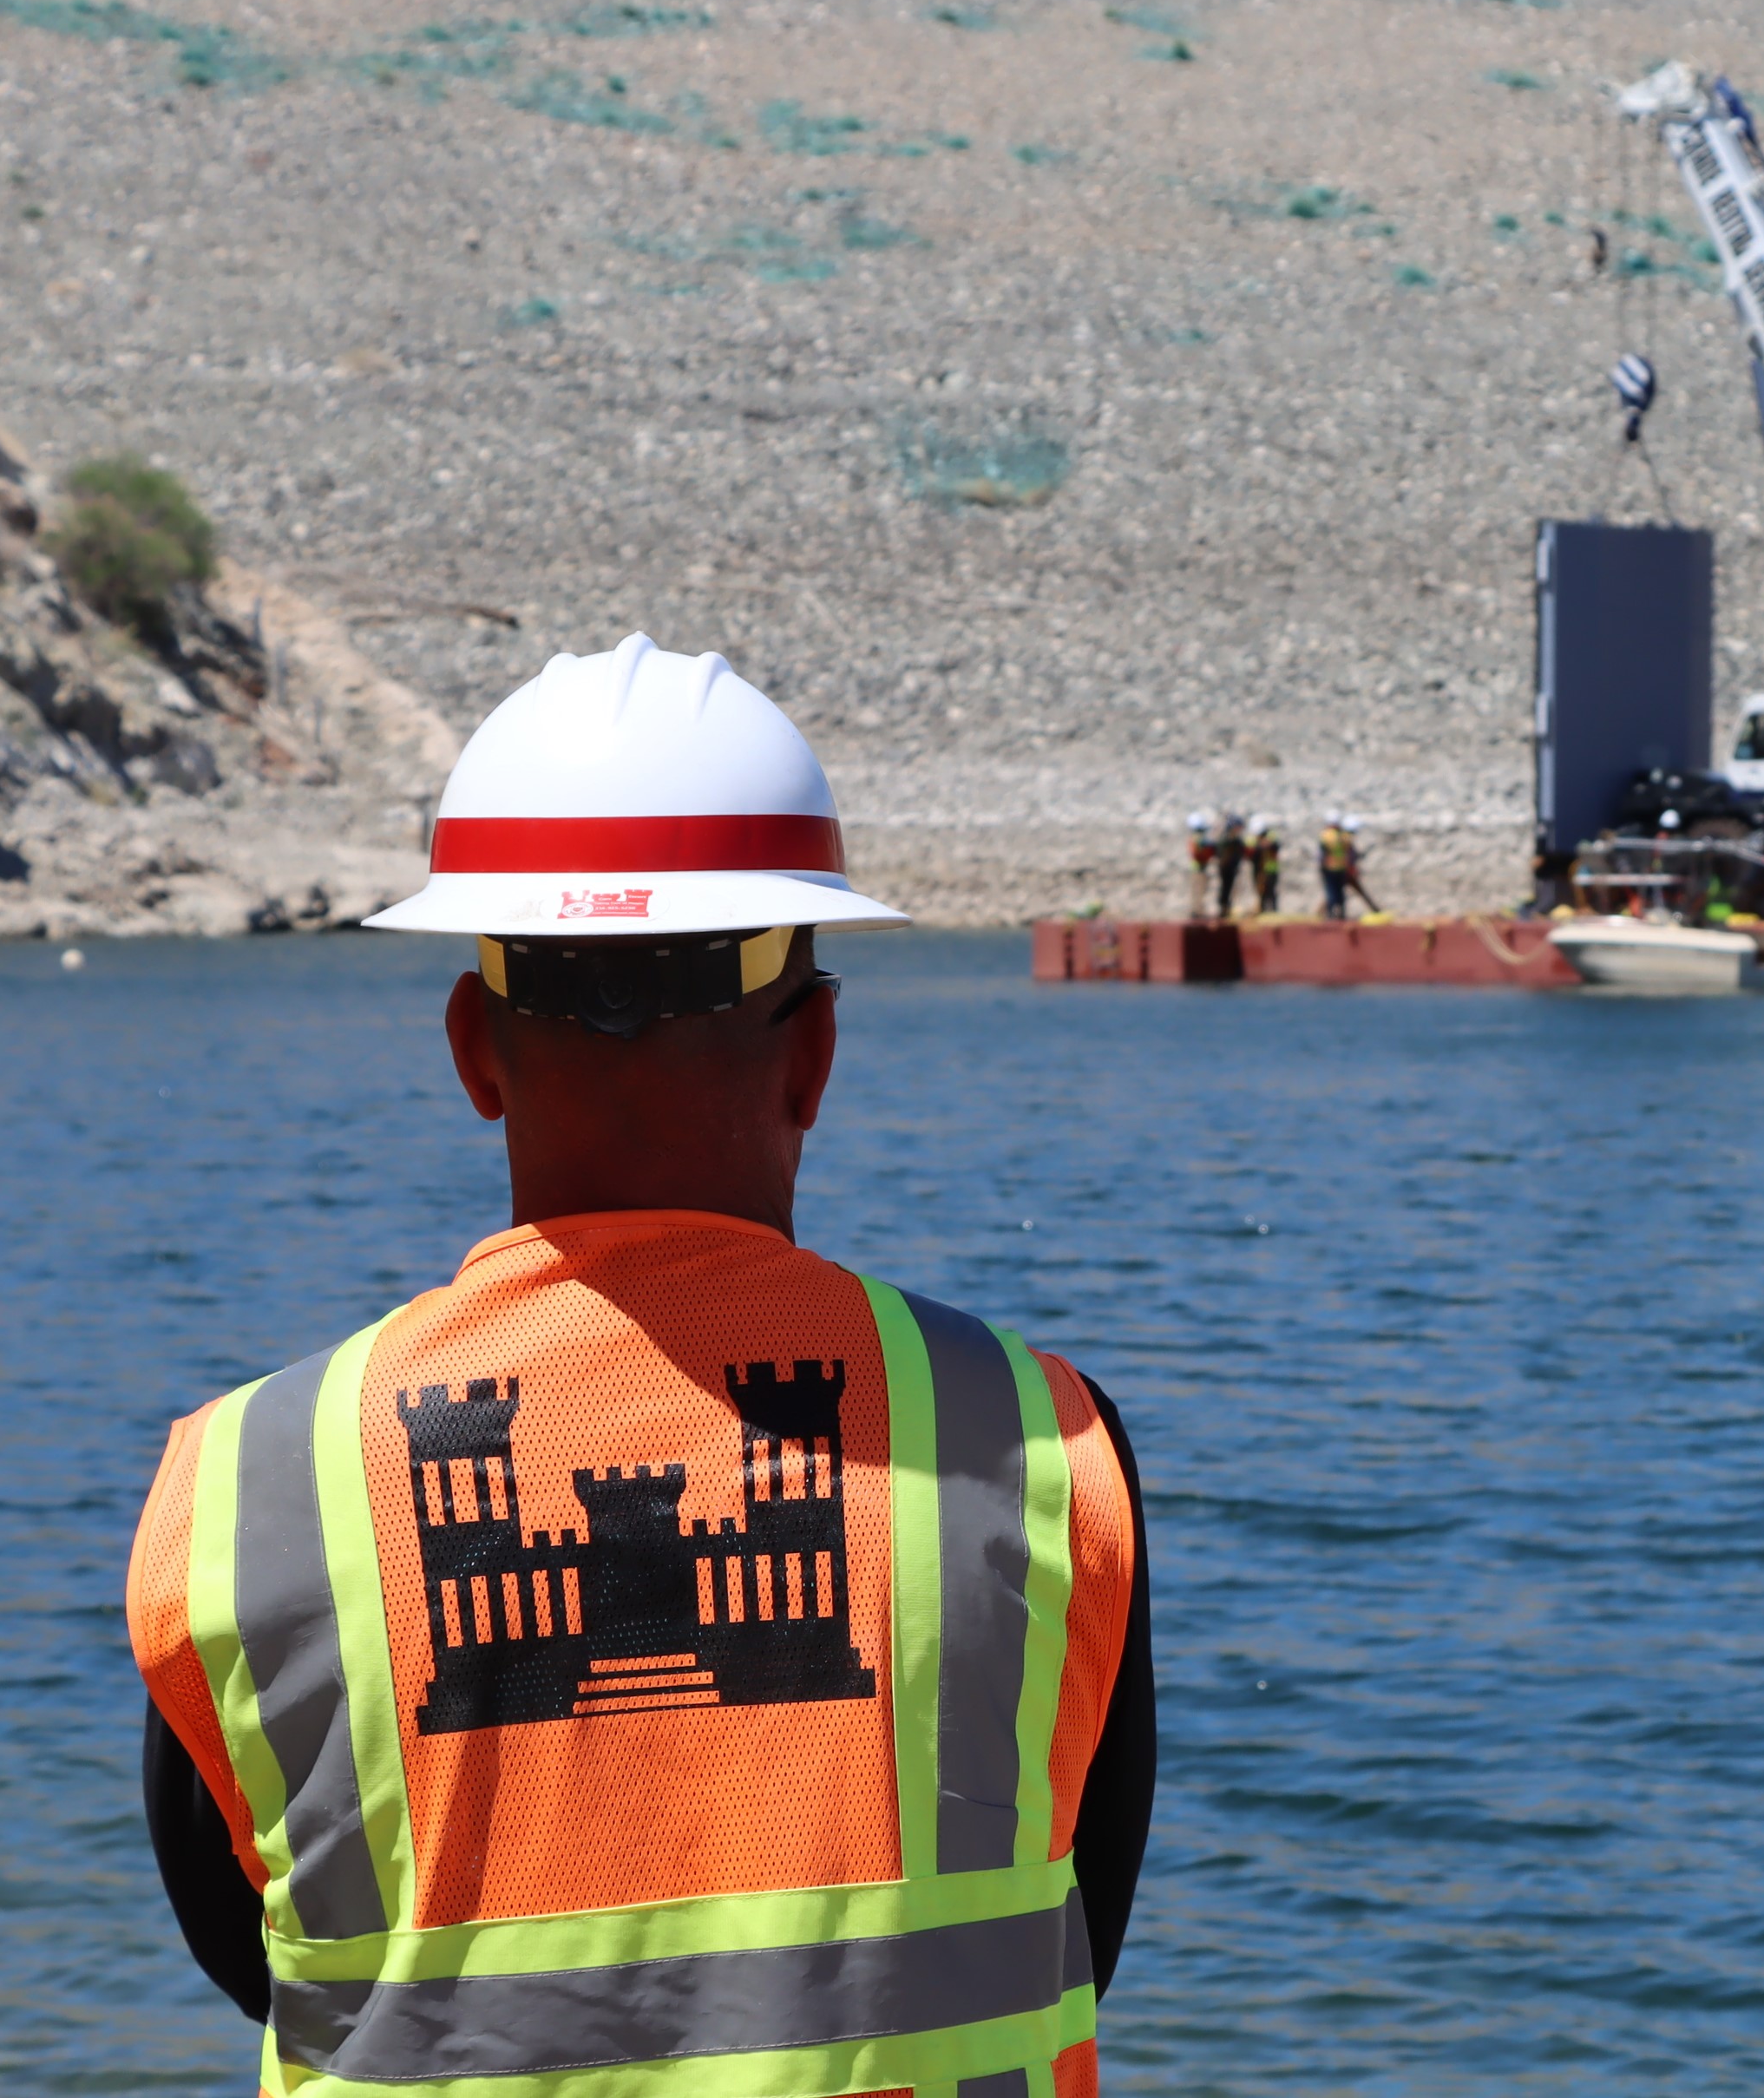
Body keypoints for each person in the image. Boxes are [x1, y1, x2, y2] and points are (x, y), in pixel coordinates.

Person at [124, 633, 1153, 2098]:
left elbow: (262, 1950)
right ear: (816, 1058)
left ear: (475, 1050)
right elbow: (1073, 1919)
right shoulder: (1042, 1451)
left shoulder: (249, 1492)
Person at [1317, 810, 1354, 921]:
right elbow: (1350, 852)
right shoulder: (1344, 836)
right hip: (1342, 867)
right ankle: (1341, 913)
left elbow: (1322, 853)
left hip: (1329, 867)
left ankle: (1331, 915)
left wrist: (1322, 865)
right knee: (1340, 891)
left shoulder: (1325, 835)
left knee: (1331, 891)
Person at [1211, 810, 1249, 921]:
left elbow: (1241, 851)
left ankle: (1228, 907)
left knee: (1231, 887)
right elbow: (1221, 853)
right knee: (1226, 887)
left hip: (1232, 867)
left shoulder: (1236, 841)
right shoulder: (1226, 840)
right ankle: (1224, 907)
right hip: (1226, 868)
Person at [1184, 807, 1216, 919]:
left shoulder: (1196, 838)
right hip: (1199, 869)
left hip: (1200, 868)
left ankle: (1197, 910)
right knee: (1198, 890)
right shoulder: (1197, 839)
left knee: (1199, 891)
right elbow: (1201, 850)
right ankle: (1197, 912)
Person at [1247, 815, 1282, 915]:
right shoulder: (1252, 839)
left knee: (1271, 892)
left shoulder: (1271, 836)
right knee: (1260, 891)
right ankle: (1262, 910)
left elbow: (1275, 846)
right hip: (1258, 870)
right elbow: (1250, 852)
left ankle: (1273, 911)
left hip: (1270, 870)